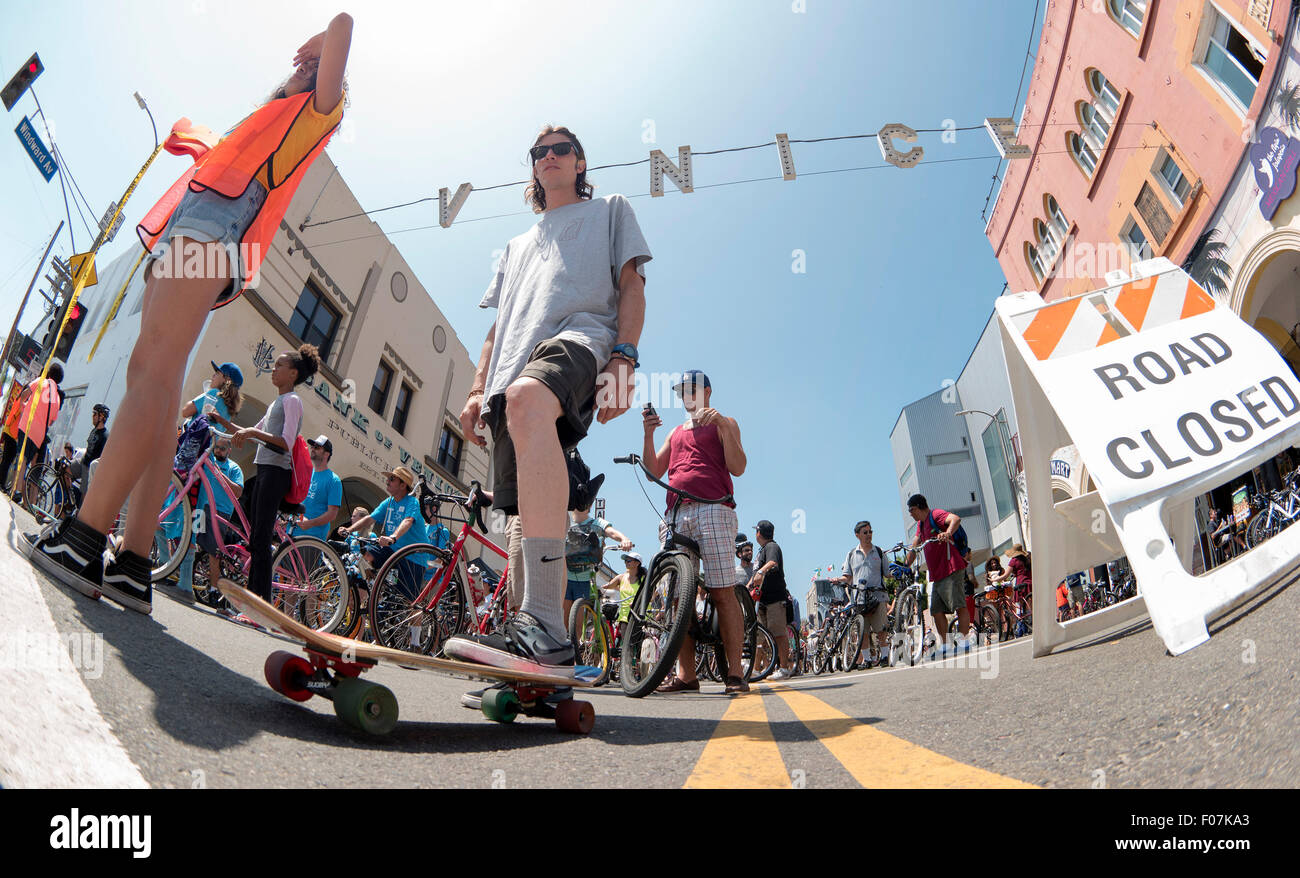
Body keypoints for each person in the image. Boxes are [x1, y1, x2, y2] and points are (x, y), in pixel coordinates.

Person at [26, 14, 353, 614]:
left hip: (211, 230)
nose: (301, 72)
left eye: (310, 71)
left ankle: (84, 538)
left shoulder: (311, 118)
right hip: (196, 230)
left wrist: (320, 48)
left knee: (150, 374)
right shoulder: (265, 120)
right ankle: (131, 564)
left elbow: (344, 24)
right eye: (300, 68)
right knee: (152, 381)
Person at [445, 124, 650, 678]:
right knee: (517, 514)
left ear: (580, 162)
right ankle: (530, 657)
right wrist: (473, 388)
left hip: (578, 339)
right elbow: (494, 329)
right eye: (541, 152)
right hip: (507, 379)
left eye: (563, 149)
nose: (551, 156)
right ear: (533, 168)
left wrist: (624, 359)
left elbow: (632, 287)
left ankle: (546, 626)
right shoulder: (514, 247)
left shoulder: (610, 210)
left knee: (530, 397)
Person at [641, 370, 749, 695]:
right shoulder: (674, 433)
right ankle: (686, 675)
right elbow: (652, 472)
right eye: (681, 390)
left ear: (707, 391)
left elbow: (738, 466)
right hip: (676, 511)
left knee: (722, 591)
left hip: (714, 507)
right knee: (678, 597)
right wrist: (647, 434)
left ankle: (735, 673)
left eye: (691, 389)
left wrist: (722, 425)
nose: (686, 394)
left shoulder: (725, 421)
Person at [230, 345, 319, 610]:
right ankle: (250, 604)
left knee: (261, 539)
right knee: (255, 538)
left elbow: (285, 441)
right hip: (264, 470)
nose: (273, 369)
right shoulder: (275, 403)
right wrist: (219, 421)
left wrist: (251, 433)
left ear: (292, 374)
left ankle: (260, 607)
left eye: (279, 366)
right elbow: (250, 431)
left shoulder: (292, 401)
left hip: (277, 473)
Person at [165, 434, 243, 605]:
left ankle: (214, 590)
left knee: (213, 552)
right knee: (188, 538)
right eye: (217, 447)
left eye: (223, 448)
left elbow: (238, 492)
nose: (219, 451)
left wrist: (222, 476)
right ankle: (175, 573)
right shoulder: (209, 461)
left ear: (229, 450)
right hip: (203, 507)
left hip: (220, 513)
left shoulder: (234, 468)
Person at [340, 465, 425, 603]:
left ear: (403, 485)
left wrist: (393, 537)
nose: (387, 481)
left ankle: (416, 625)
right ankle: (369, 589)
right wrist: (349, 530)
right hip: (394, 551)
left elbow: (408, 521)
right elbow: (369, 518)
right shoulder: (389, 502)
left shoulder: (412, 502)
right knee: (367, 554)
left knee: (410, 602)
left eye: (392, 479)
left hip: (414, 558)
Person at [903, 493, 972, 656]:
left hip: (951, 567)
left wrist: (947, 532)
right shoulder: (921, 525)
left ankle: (963, 641)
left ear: (918, 507)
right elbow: (914, 546)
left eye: (911, 510)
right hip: (937, 574)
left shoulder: (935, 515)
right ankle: (946, 645)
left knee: (959, 605)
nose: (910, 514)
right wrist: (906, 566)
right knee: (936, 610)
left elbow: (955, 519)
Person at [832, 520, 890, 668]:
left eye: (870, 531)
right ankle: (867, 660)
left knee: (881, 629)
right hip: (859, 598)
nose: (869, 535)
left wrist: (897, 573)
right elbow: (847, 576)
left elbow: (888, 573)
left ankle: (884, 657)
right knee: (862, 631)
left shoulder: (879, 551)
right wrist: (838, 579)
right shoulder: (851, 554)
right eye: (865, 532)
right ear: (857, 535)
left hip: (878, 596)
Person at [2, 362, 63, 502]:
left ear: (49, 372)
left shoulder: (41, 382)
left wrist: (24, 406)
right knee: (26, 459)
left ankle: (16, 491)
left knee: (21, 457)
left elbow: (25, 394)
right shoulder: (57, 397)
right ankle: (18, 493)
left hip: (27, 425)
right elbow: (52, 420)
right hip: (39, 435)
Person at [563, 501, 633, 622]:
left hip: (584, 580)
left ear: (590, 505)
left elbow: (611, 532)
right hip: (565, 579)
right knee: (564, 624)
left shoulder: (596, 523)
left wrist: (624, 539)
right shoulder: (565, 522)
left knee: (577, 624)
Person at [751, 519, 793, 679]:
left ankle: (784, 668)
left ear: (759, 533)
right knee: (760, 636)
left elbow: (772, 562)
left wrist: (761, 572)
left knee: (778, 633)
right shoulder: (761, 550)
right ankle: (755, 669)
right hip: (762, 600)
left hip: (775, 599)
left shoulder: (771, 547)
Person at [289, 435, 342, 541]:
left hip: (312, 539)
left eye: (317, 447)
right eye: (312, 446)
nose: (312, 449)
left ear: (326, 454)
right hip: (291, 532)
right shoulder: (307, 472)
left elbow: (332, 514)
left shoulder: (334, 480)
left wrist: (310, 523)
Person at [182, 362, 244, 428]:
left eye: (217, 373)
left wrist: (204, 395)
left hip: (189, 436)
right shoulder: (231, 408)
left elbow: (185, 412)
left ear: (226, 380)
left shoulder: (214, 393)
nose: (213, 375)